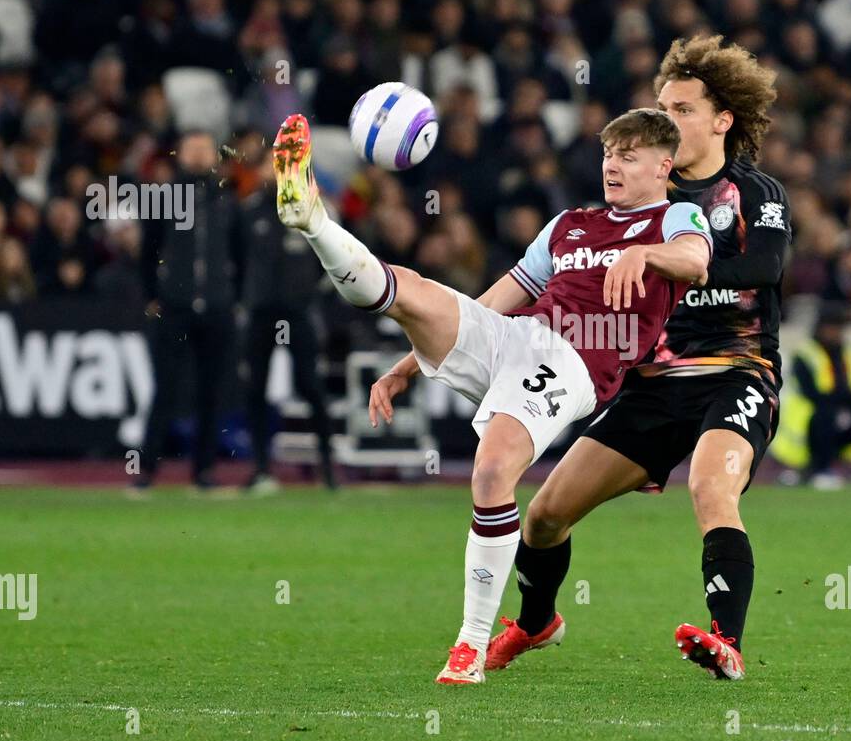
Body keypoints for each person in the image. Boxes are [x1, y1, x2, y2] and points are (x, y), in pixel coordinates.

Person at [274, 108, 711, 684]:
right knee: (415, 292)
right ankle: (313, 220)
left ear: (663, 166)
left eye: (628, 157)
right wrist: (408, 365)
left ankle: (470, 645)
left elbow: (697, 263)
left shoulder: (676, 216)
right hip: (517, 338)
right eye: (609, 155)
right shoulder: (569, 225)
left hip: (575, 362)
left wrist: (645, 254)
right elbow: (498, 297)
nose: (613, 166)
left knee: (490, 472)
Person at [479, 35, 791, 681]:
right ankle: (537, 620)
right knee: (544, 515)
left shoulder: (753, 192)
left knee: (711, 487)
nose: (666, 120)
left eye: (682, 108)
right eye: (662, 107)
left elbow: (766, 265)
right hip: (650, 383)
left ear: (721, 120)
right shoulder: (642, 192)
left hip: (735, 371)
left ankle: (725, 640)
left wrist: (670, 262)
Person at [134, 130, 246, 490]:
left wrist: (233, 297)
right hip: (174, 307)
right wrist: (153, 295)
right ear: (179, 153)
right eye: (192, 148)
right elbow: (148, 251)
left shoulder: (226, 198)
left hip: (216, 307)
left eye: (205, 148)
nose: (198, 155)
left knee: (211, 392)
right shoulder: (164, 196)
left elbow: (240, 255)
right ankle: (147, 468)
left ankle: (204, 471)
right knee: (164, 389)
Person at [240, 157, 336, 492]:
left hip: (298, 312)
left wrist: (309, 292)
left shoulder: (310, 210)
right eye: (270, 165)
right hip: (260, 312)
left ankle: (327, 467)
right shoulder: (251, 210)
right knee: (255, 389)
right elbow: (236, 258)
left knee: (310, 384)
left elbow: (333, 255)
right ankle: (261, 468)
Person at [772, 308, 851, 489]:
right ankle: (821, 470)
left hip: (841, 415)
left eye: (838, 329)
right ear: (819, 330)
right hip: (807, 425)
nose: (835, 333)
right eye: (830, 329)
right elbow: (812, 394)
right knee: (825, 413)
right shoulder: (805, 355)